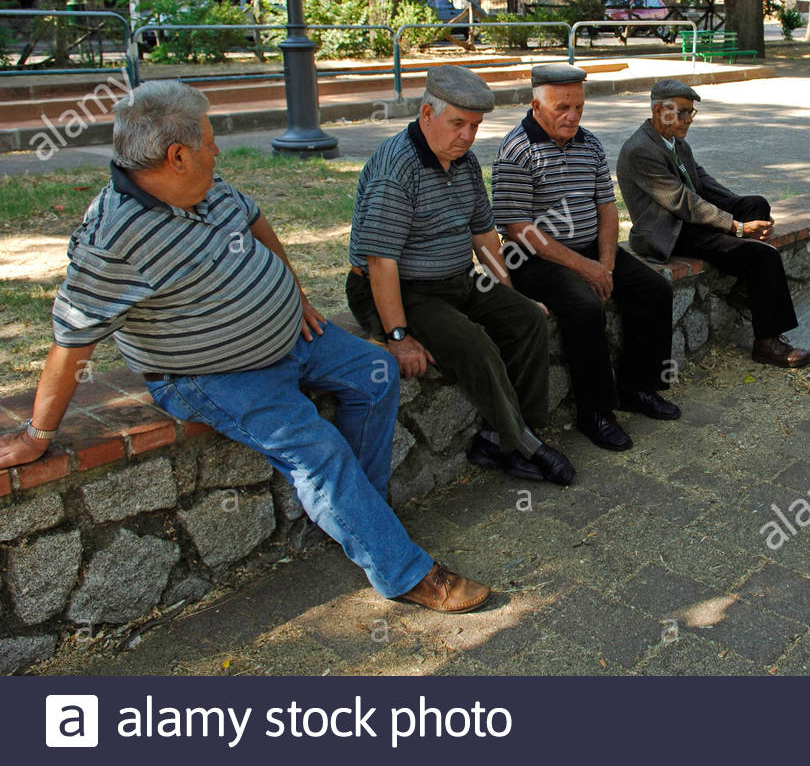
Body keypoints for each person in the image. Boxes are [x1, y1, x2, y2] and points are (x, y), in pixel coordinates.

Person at [0, 80, 489, 613]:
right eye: (209, 142)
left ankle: (363, 517)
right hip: (213, 376)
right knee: (318, 450)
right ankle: (403, 572)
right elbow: (71, 342)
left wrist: (293, 292)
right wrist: (36, 433)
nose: (218, 150)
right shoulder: (115, 240)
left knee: (376, 372)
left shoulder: (199, 186)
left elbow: (256, 221)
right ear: (177, 155)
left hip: (294, 339)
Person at [346, 66, 574, 486]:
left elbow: (484, 234)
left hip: (455, 279)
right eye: (458, 124)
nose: (468, 136)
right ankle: (523, 446)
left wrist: (510, 293)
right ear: (427, 114)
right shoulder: (397, 168)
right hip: (401, 288)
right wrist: (397, 337)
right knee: (475, 344)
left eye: (474, 126)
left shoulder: (463, 162)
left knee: (525, 319)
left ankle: (498, 437)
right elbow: (380, 263)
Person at [492, 64, 679, 452]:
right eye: (562, 107)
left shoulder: (589, 143)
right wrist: (583, 268)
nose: (573, 116)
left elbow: (606, 209)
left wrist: (606, 265)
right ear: (536, 105)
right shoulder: (516, 150)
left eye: (578, 106)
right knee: (584, 305)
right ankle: (595, 413)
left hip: (589, 249)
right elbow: (518, 228)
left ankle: (637, 387)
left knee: (654, 289)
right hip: (532, 258)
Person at [617, 79, 810, 369]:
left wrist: (740, 210)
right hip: (668, 231)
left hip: (689, 221)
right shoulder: (640, 149)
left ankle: (745, 290)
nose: (688, 120)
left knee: (757, 204)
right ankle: (767, 343)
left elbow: (704, 183)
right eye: (682, 113)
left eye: (691, 113)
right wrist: (737, 227)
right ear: (659, 111)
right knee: (763, 257)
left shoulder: (675, 142)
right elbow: (682, 200)